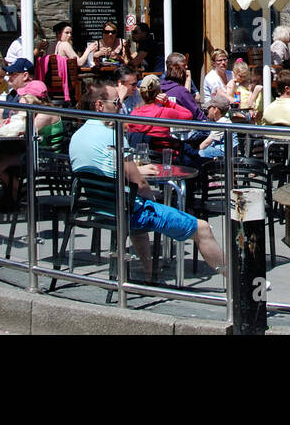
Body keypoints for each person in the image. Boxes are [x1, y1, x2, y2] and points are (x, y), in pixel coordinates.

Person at [70, 80, 224, 278]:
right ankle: (237, 283)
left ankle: (149, 272)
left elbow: (103, 169)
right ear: (99, 105)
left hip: (101, 207)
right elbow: (140, 184)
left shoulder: (78, 136)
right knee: (202, 228)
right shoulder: (113, 136)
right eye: (116, 101)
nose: (120, 106)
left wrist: (138, 172)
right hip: (128, 211)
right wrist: (153, 200)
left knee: (138, 220)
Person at [160, 53, 205, 119]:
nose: (186, 67)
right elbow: (197, 114)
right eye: (184, 65)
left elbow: (197, 97)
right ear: (174, 67)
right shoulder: (180, 91)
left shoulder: (159, 87)